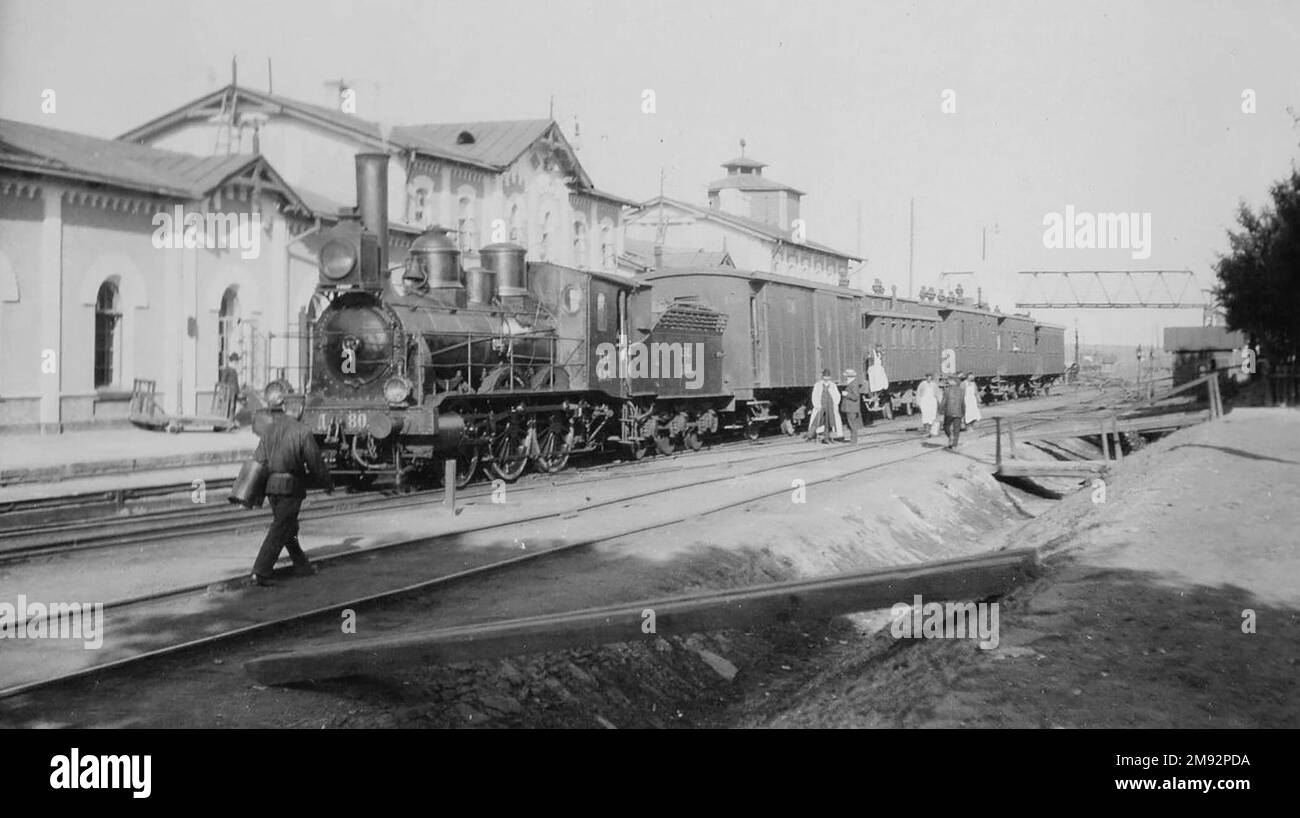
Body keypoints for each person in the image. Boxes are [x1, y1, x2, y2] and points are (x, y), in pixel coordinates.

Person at [249, 391, 334, 586]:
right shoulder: (302, 431)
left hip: (271, 487)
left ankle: (302, 565)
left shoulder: (269, 430)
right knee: (280, 528)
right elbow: (315, 463)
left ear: (285, 408)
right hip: (291, 487)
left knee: (288, 526)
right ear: (301, 409)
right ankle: (260, 572)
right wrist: (326, 483)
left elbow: (259, 459)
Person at [806, 369, 842, 444]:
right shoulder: (818, 385)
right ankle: (815, 436)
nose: (826, 379)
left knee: (830, 422)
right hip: (820, 406)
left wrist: (835, 404)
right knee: (818, 421)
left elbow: (837, 395)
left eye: (828, 378)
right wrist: (816, 405)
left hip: (830, 407)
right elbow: (814, 396)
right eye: (825, 377)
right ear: (823, 377)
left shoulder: (833, 385)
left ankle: (830, 437)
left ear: (830, 377)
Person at [941, 375, 966, 449]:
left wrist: (940, 410)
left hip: (949, 412)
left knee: (946, 426)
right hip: (958, 412)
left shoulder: (947, 390)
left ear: (952, 381)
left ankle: (950, 436)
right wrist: (963, 412)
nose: (948, 381)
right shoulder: (962, 390)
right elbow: (962, 403)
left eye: (949, 380)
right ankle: (954, 445)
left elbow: (943, 402)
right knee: (957, 429)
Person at [840, 369, 864, 444]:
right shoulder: (852, 383)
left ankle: (854, 441)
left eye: (846, 376)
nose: (846, 378)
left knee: (852, 424)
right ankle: (853, 440)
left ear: (849, 377)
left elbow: (855, 397)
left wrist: (846, 394)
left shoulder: (853, 384)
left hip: (851, 408)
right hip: (851, 408)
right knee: (851, 423)